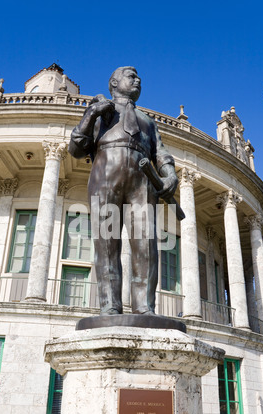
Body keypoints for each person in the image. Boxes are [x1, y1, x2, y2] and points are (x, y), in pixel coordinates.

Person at [69, 66, 178, 316]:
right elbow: (76, 148)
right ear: (114, 83)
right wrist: (91, 115)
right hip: (106, 174)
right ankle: (109, 304)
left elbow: (160, 152)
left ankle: (144, 306)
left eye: (139, 76)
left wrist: (170, 173)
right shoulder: (101, 111)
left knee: (146, 244)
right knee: (107, 243)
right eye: (131, 76)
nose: (138, 79)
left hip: (142, 181)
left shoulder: (148, 121)